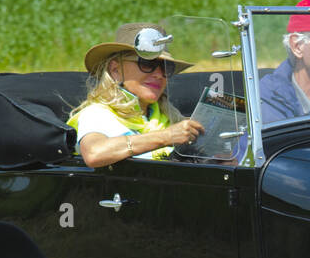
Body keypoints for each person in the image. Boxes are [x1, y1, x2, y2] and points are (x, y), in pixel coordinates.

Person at [68, 22, 206, 168]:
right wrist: (165, 137)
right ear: (116, 70)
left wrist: (218, 161)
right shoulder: (97, 114)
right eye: (147, 63)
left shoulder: (170, 117)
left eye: (166, 67)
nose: (159, 74)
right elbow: (94, 153)